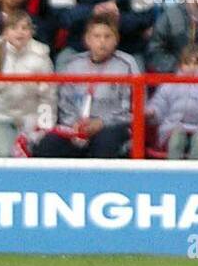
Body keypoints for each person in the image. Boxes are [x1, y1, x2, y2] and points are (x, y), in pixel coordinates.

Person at [32, 13, 139, 158]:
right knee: (47, 145)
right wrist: (75, 125)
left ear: (116, 40)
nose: (102, 41)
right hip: (76, 127)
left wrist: (101, 123)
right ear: (87, 39)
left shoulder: (126, 64)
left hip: (111, 127)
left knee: (105, 141)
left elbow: (132, 109)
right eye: (97, 36)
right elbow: (65, 103)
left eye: (108, 36)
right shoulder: (73, 64)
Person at [0, 10, 56, 157]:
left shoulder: (41, 54)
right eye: (14, 28)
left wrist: (45, 127)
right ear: (5, 32)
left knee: (28, 162)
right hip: (1, 118)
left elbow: (48, 96)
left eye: (24, 28)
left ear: (31, 32)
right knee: (4, 159)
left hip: (31, 120)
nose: (20, 32)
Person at [146, 44, 198, 158]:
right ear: (180, 65)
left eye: (197, 63)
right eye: (187, 63)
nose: (192, 67)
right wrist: (152, 111)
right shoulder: (170, 83)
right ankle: (173, 174)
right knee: (176, 139)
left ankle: (194, 175)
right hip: (174, 126)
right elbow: (159, 102)